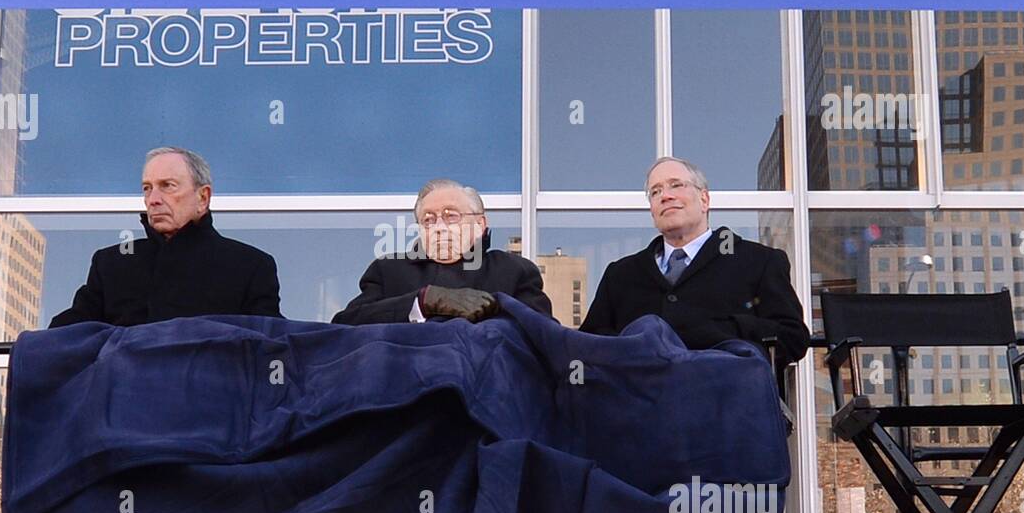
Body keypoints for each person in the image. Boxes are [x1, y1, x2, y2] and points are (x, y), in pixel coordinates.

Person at [581, 157, 808, 371]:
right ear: (651, 209)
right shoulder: (620, 275)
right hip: (639, 402)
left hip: (725, 400)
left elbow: (792, 337)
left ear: (704, 199)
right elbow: (590, 342)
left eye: (676, 185)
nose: (665, 196)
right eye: (655, 191)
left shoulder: (759, 261)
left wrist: (723, 330)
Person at [49, 146, 281, 327]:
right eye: (147, 188)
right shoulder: (111, 263)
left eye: (167, 186)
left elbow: (271, 345)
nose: (153, 199)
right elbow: (68, 335)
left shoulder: (249, 266)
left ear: (203, 198)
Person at [332, 178, 552, 325]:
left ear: (480, 224)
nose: (439, 227)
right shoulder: (388, 270)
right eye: (428, 219)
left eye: (451, 216)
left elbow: (542, 334)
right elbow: (346, 324)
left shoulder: (513, 270)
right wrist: (422, 301)